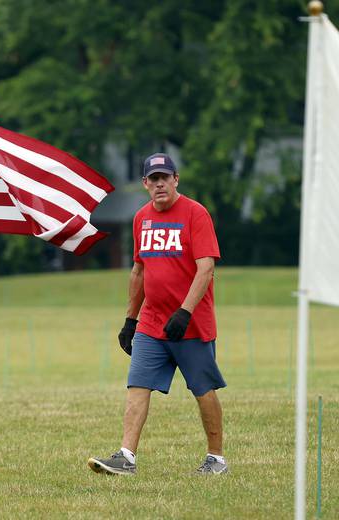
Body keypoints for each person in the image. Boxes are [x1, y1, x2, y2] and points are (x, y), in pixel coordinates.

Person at [88, 152, 227, 476]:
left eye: (165, 177)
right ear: (145, 184)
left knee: (203, 389)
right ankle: (126, 456)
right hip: (152, 323)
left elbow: (205, 268)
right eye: (154, 178)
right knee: (138, 385)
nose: (160, 183)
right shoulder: (141, 218)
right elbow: (138, 271)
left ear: (176, 180)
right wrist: (130, 320)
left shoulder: (195, 214)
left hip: (190, 324)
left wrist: (184, 312)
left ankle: (216, 458)